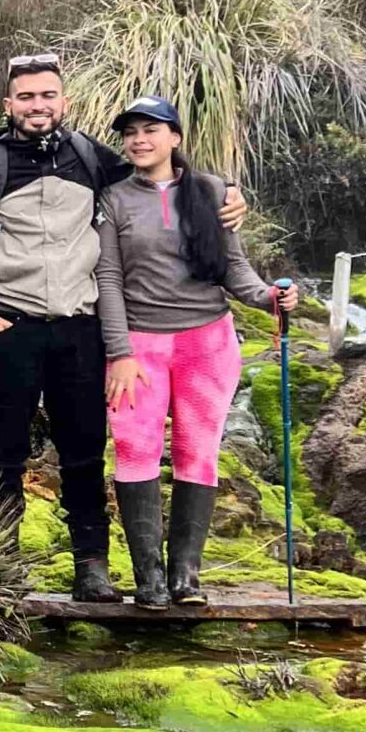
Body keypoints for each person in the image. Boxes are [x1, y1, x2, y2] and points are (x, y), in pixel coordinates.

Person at [0, 51, 246, 601]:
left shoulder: (91, 157)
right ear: (9, 105)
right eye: (26, 97)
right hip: (12, 329)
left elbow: (160, 177)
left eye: (47, 95)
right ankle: (0, 566)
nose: (37, 106)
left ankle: (92, 568)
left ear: (64, 101)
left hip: (82, 331)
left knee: (83, 450)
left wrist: (227, 193)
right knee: (4, 450)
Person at [98, 95, 294, 606]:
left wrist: (271, 297)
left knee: (198, 452)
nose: (140, 140)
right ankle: (149, 580)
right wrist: (119, 352)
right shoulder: (114, 198)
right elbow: (109, 279)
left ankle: (186, 578)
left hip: (208, 343)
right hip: (138, 347)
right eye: (131, 132)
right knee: (134, 450)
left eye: (151, 130)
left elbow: (234, 269)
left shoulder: (211, 191)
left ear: (175, 138)